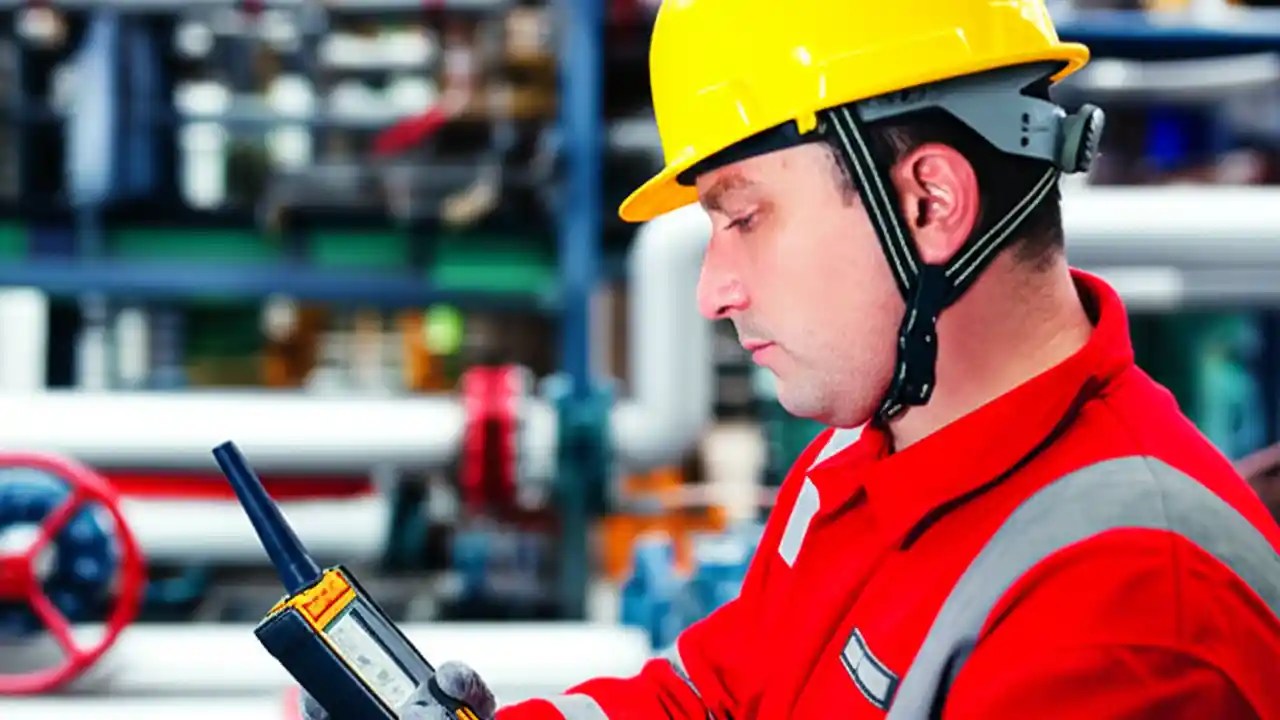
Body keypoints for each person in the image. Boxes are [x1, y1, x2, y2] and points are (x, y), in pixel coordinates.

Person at [304, 0, 1280, 717]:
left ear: (928, 203)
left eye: (741, 216)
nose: (710, 290)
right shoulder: (860, 454)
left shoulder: (1126, 619)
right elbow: (718, 697)